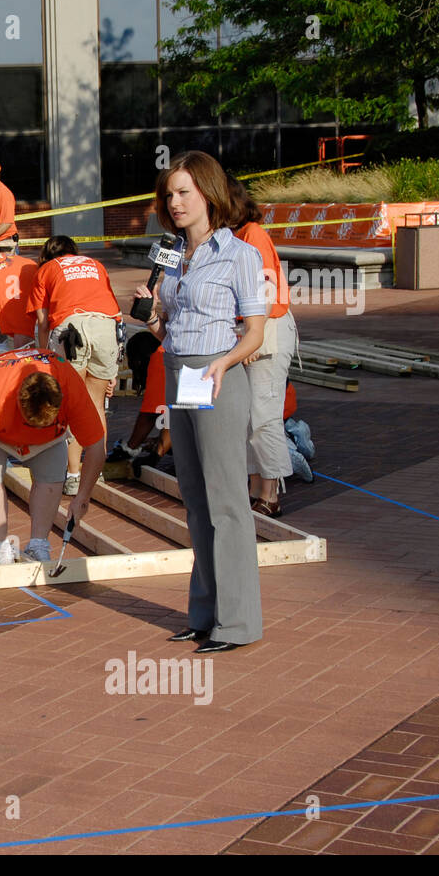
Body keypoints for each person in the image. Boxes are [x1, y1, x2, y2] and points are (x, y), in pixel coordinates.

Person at [133, 150, 266, 654]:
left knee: (227, 501)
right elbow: (171, 319)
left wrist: (225, 362)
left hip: (217, 375)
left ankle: (237, 622)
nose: (175, 201)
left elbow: (255, 332)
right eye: (170, 194)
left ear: (209, 193)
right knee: (194, 497)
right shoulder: (171, 255)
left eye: (184, 192)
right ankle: (205, 614)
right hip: (177, 370)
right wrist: (154, 321)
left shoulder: (240, 255)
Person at [0, 347, 105, 565]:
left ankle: (39, 544)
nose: (32, 434)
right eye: (31, 425)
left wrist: (83, 495)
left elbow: (96, 445)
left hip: (50, 439)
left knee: (52, 477)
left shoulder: (72, 389)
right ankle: (1, 547)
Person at [26, 235, 122, 496]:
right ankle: (96, 473)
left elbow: (43, 322)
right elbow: (113, 309)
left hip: (71, 327)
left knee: (72, 404)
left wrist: (46, 358)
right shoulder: (96, 264)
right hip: (105, 326)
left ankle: (73, 475)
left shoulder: (46, 270)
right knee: (97, 405)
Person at [227, 175, 298, 517]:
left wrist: (254, 334)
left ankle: (270, 492)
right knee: (249, 416)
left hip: (267, 328)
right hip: (254, 329)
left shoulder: (252, 235)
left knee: (264, 415)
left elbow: (265, 289)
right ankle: (257, 487)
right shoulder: (238, 236)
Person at [107, 330, 172, 475]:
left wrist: (129, 449)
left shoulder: (158, 358)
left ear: (138, 361)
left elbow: (149, 416)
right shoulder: (166, 350)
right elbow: (174, 414)